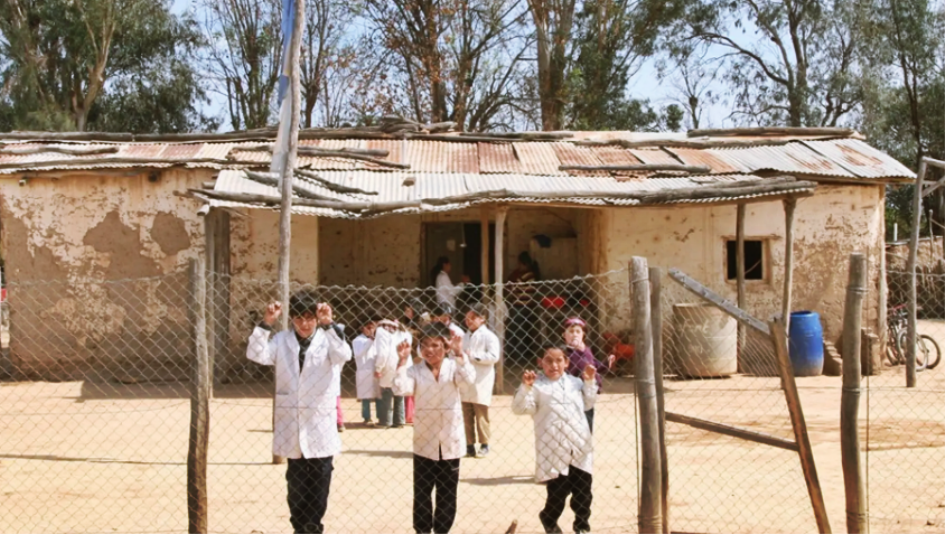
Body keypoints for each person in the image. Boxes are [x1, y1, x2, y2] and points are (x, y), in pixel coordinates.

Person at [246, 291, 352, 534]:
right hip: (292, 419)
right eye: (298, 318)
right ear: (291, 319)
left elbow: (344, 355)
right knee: (296, 479)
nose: (304, 324)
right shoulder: (282, 340)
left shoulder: (329, 338)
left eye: (310, 318)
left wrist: (329, 324)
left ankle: (313, 525)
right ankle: (300, 525)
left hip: (319, 419)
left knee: (321, 474)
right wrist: (266, 323)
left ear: (317, 317)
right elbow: (256, 354)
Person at [393, 323, 475, 534]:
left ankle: (442, 531)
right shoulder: (415, 371)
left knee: (448, 493)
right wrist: (402, 361)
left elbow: (469, 381)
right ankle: (422, 530)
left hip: (450, 440)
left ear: (446, 347)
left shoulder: (454, 367)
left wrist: (459, 354)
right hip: (424, 442)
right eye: (425, 345)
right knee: (422, 492)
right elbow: (400, 388)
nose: (430, 350)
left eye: (436, 345)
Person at [512, 346, 597, 534]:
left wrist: (589, 381)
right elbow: (519, 409)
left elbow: (589, 403)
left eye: (559, 360)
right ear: (540, 363)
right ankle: (548, 518)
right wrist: (526, 387)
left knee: (583, 492)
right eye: (548, 361)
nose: (554, 365)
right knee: (558, 493)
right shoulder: (538, 387)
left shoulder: (576, 383)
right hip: (553, 449)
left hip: (579, 446)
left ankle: (582, 525)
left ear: (566, 363)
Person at [459, 304, 500, 458]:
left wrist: (475, 356)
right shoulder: (465, 336)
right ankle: (469, 444)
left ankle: (484, 444)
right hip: (466, 378)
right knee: (466, 413)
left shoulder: (489, 336)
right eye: (467, 317)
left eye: (472, 317)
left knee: (481, 413)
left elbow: (494, 356)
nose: (468, 321)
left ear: (482, 318)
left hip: (481, 379)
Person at [562, 317, 615, 433]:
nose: (574, 334)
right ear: (564, 335)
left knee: (587, 422)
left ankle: (586, 443)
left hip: (589, 392)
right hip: (576, 394)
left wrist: (606, 364)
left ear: (583, 335)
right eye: (571, 332)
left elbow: (594, 365)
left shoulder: (587, 350)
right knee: (574, 425)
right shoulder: (566, 354)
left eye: (578, 331)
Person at [374, 317, 412, 428]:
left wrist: (378, 368)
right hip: (403, 362)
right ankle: (399, 420)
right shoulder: (404, 330)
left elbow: (382, 353)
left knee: (387, 392)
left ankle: (386, 421)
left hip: (389, 362)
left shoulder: (382, 330)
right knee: (399, 392)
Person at [506, 251, 540, 362]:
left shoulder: (523, 276)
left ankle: (516, 355)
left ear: (522, 263)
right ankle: (519, 355)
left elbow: (511, 290)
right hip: (527, 307)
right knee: (522, 331)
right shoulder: (533, 275)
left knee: (514, 331)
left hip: (518, 307)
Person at [353, 314, 383, 426]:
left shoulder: (376, 341)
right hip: (364, 371)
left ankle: (381, 416)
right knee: (366, 397)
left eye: (373, 328)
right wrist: (370, 340)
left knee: (379, 396)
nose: (371, 330)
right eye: (369, 328)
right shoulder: (357, 340)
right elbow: (359, 353)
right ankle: (366, 417)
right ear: (363, 328)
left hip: (375, 371)